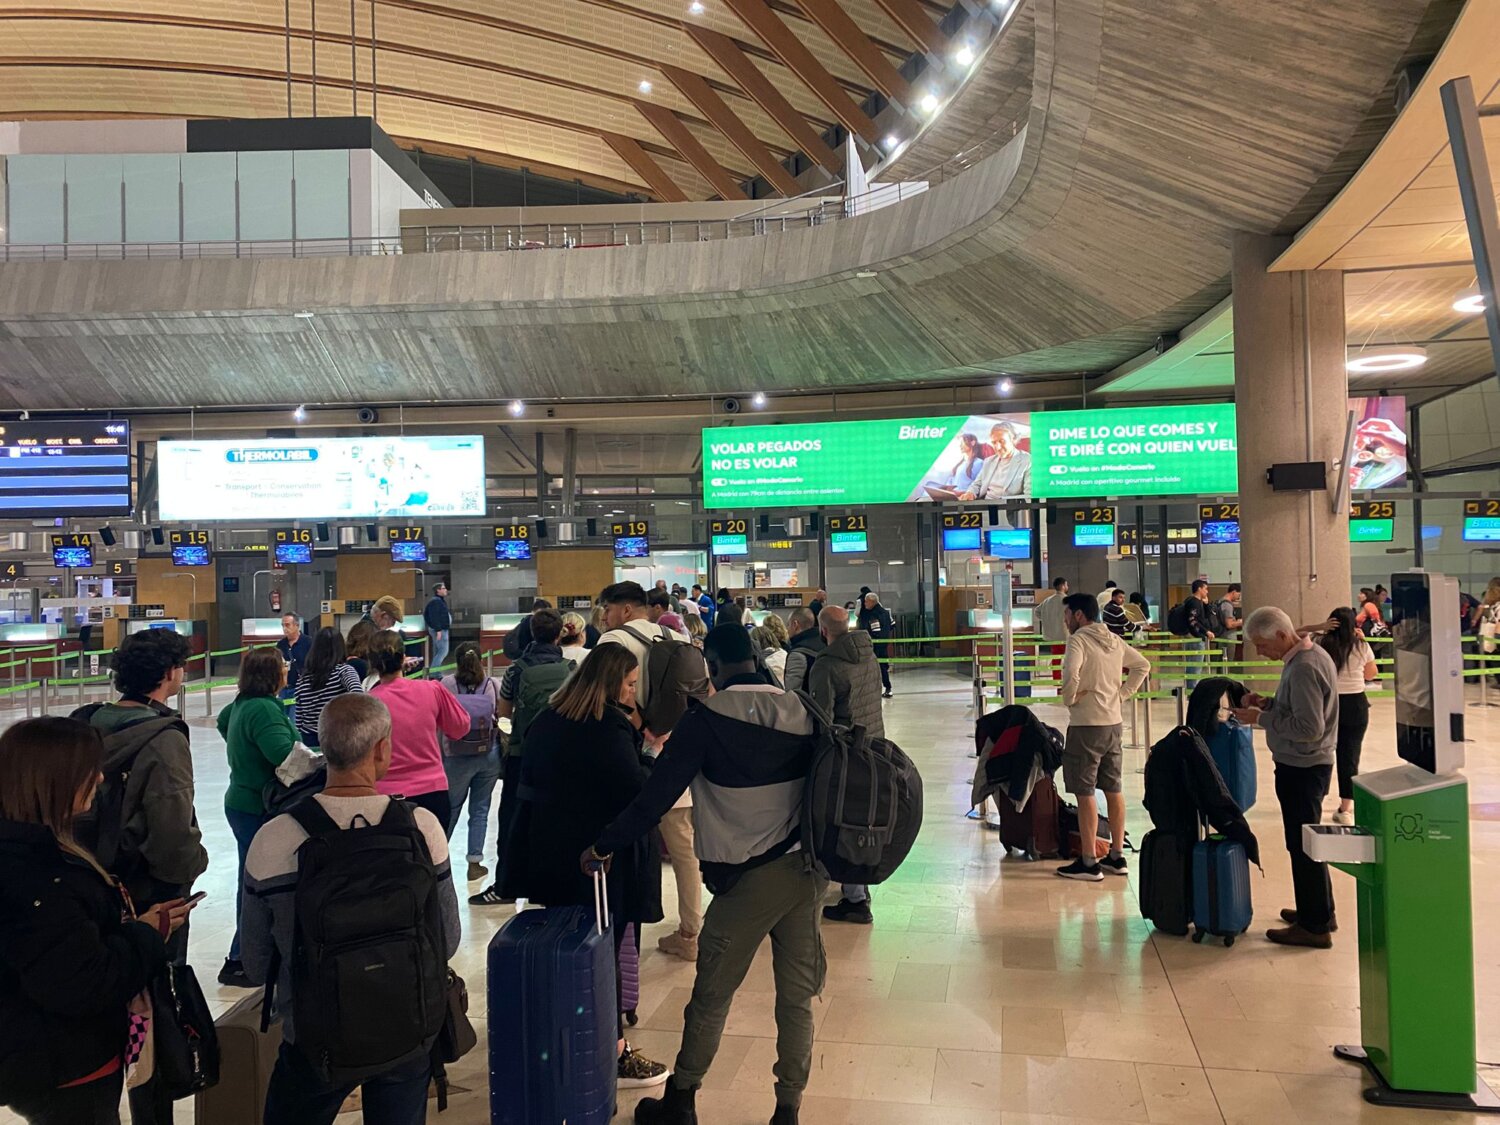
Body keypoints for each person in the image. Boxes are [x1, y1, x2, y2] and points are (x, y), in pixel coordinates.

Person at [587, 625, 824, 1125]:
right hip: (806, 871)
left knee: (712, 996)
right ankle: (788, 1108)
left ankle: (681, 1100)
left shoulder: (706, 721)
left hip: (749, 880)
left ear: (712, 667)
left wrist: (603, 844)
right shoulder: (802, 710)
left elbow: (654, 799)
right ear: (755, 658)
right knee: (797, 996)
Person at [241, 693, 461, 1125]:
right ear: (381, 749)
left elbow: (255, 963)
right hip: (408, 1026)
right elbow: (447, 940)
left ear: (324, 748)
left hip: (315, 1037)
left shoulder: (275, 838)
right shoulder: (422, 828)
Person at [0, 717, 193, 1125]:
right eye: (90, 769)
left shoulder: (37, 849)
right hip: (66, 1061)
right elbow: (84, 982)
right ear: (55, 778)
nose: (101, 777)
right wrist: (146, 934)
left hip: (42, 1052)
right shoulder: (40, 877)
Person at [502, 645, 670, 1090]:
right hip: (598, 861)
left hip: (548, 853)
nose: (632, 693)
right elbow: (636, 790)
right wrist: (652, 752)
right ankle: (611, 1052)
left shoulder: (548, 719)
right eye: (629, 684)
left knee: (569, 946)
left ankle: (566, 1037)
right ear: (611, 683)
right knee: (602, 954)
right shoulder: (605, 728)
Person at [71, 629, 207, 1125]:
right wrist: (194, 866)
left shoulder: (84, 724)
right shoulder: (164, 738)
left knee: (97, 1001)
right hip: (149, 894)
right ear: (170, 673)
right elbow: (171, 834)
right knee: (156, 1010)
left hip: (87, 882)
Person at [595, 581, 710, 961]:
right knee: (685, 852)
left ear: (625, 609)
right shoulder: (677, 637)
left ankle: (615, 931)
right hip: (678, 754)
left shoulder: (613, 641)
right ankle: (691, 934)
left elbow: (606, 697)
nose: (604, 617)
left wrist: (645, 729)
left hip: (630, 755)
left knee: (621, 842)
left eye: (607, 609)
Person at [1232, 607, 1339, 948]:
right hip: (1307, 764)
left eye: (1262, 645)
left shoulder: (1304, 667)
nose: (1260, 652)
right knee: (1308, 842)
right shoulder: (1308, 656)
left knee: (1302, 846)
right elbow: (1300, 709)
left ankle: (1314, 926)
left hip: (1303, 767)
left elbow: (1309, 727)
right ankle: (1319, 911)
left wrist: (1260, 719)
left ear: (1281, 634)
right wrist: (1269, 704)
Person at [471, 608, 573, 906]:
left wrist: (511, 738)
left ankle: (506, 886)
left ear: (530, 633)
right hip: (562, 756)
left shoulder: (516, 670)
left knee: (513, 821)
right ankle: (556, 884)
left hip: (522, 756)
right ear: (559, 635)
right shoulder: (571, 669)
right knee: (559, 820)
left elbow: (503, 713)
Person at [215, 647, 299, 988]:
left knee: (249, 879)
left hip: (240, 801)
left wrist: (245, 753)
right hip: (258, 806)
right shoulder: (263, 709)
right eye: (283, 666)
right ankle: (243, 957)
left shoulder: (242, 704)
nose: (287, 670)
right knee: (257, 885)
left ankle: (245, 954)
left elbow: (223, 722)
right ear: (272, 673)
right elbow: (284, 756)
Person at [1054, 594, 1151, 881]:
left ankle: (1089, 861)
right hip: (1113, 724)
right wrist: (1121, 695)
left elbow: (1071, 672)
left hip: (1086, 726)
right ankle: (1116, 855)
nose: (1065, 620)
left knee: (1084, 791)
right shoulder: (1113, 639)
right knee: (1113, 787)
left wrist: (1069, 699)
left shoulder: (1078, 640)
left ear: (1079, 615)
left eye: (1067, 614)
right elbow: (1142, 665)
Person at [810, 606, 886, 926]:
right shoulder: (868, 654)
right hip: (875, 745)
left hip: (845, 751)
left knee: (844, 822)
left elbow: (821, 717)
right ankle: (859, 888)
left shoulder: (827, 665)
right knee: (861, 818)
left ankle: (855, 899)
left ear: (823, 630)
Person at [367, 631, 472, 826]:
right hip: (432, 792)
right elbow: (460, 728)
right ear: (403, 658)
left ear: (372, 663)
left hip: (384, 797)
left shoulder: (368, 703)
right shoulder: (432, 689)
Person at [441, 642, 502, 883]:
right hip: (488, 755)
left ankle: (437, 857)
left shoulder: (446, 684)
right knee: (480, 809)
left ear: (456, 662)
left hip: (455, 755)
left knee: (451, 808)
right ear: (481, 659)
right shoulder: (492, 684)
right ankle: (474, 863)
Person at [1314, 608, 1377, 827]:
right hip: (1356, 705)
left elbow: (1295, 634)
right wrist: (1363, 640)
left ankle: (1316, 800)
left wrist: (1318, 628)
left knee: (1321, 753)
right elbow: (1371, 674)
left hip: (1327, 704)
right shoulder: (1361, 646)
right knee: (1350, 756)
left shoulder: (1320, 643)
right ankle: (1346, 809)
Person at [294, 626, 364, 746]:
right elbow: (359, 698)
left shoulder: (303, 679)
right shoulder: (344, 671)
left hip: (309, 741)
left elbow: (299, 721)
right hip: (338, 738)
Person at [957, 420, 1031, 500]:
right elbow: (977, 484)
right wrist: (970, 493)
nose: (997, 447)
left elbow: (1029, 496)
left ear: (1013, 439)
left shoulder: (1028, 461)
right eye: (994, 443)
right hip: (985, 503)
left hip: (1008, 506)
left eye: (1002, 441)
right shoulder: (988, 461)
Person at [1173, 579, 1217, 688]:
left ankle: (1191, 688)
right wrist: (1206, 631)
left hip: (1191, 636)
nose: (1207, 591)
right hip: (1195, 637)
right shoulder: (1194, 602)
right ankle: (1192, 689)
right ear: (1199, 589)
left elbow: (1202, 617)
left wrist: (1206, 604)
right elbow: (1193, 620)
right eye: (1205, 589)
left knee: (1192, 666)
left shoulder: (1191, 601)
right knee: (1195, 667)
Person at [922, 431, 990, 500]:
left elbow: (978, 488)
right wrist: (946, 489)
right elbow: (952, 482)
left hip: (963, 499)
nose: (960, 445)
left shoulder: (978, 463)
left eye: (962, 442)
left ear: (973, 443)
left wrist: (959, 493)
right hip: (952, 496)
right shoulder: (960, 464)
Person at [856, 591, 896, 698]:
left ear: (872, 602)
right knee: (883, 667)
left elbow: (876, 630)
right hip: (884, 644)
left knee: (870, 667)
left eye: (866, 602)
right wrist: (885, 632)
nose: (865, 604)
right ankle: (888, 688)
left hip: (875, 645)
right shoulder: (885, 612)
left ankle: (870, 690)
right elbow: (893, 624)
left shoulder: (873, 614)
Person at [782, 607, 826, 694]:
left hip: (806, 702)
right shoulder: (826, 644)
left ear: (795, 625)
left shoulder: (797, 655)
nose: (787, 629)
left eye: (788, 625)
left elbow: (792, 692)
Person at [276, 612, 311, 692]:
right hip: (285, 688)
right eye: (283, 625)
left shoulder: (308, 642)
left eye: (287, 625)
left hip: (304, 687)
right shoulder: (280, 645)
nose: (284, 628)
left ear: (297, 625)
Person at [424, 581, 453, 671]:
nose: (446, 590)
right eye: (443, 588)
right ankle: (434, 672)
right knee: (443, 651)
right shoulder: (436, 602)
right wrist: (438, 630)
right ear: (438, 590)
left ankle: (435, 671)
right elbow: (434, 616)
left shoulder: (438, 601)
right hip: (440, 630)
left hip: (440, 629)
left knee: (438, 652)